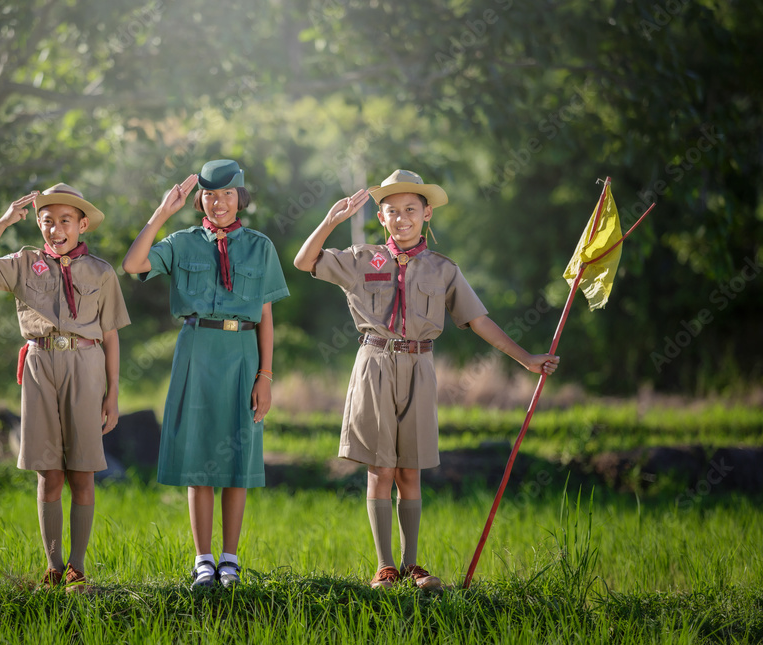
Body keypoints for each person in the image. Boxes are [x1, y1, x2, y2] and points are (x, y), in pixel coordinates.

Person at [293, 169, 559, 590]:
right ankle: (385, 567)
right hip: (375, 364)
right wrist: (331, 221)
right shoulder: (362, 258)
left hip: (420, 367)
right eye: (393, 211)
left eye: (411, 210)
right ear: (381, 217)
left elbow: (478, 320)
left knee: (410, 471)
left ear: (427, 213)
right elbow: (304, 261)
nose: (402, 219)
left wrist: (525, 358)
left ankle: (413, 564)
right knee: (380, 469)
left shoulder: (442, 269)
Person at [122, 159, 289, 589]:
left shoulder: (260, 246)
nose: (219, 203)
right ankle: (203, 561)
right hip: (196, 349)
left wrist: (265, 376)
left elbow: (266, 316)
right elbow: (133, 265)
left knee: (238, 457)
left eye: (228, 195)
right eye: (211, 195)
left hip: (242, 352)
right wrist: (162, 213)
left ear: (240, 198)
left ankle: (230, 560)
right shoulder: (181, 242)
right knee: (198, 456)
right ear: (200, 198)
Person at [0, 183, 130, 592]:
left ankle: (77, 566)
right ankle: (53, 566)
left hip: (86, 364)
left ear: (82, 224)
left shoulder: (102, 272)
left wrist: (113, 394)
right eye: (48, 221)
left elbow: (110, 336)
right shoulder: (24, 263)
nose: (56, 229)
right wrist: (3, 223)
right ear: (38, 224)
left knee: (83, 472)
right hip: (40, 364)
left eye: (65, 221)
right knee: (48, 473)